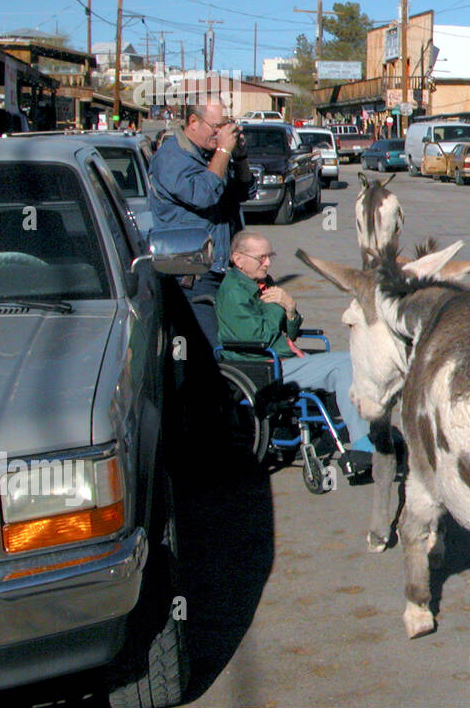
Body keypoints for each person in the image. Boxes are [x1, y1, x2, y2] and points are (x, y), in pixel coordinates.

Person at [217, 230, 372, 473]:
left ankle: (365, 443)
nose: (267, 263)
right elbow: (259, 337)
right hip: (263, 366)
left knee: (348, 368)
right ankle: (364, 443)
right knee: (347, 364)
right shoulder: (234, 292)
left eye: (270, 256)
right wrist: (280, 307)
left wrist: (290, 310)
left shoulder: (262, 283)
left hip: (284, 358)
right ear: (238, 260)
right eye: (261, 258)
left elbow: (288, 335)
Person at [148, 101, 254, 350]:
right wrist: (223, 153)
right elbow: (203, 195)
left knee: (235, 344)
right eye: (216, 127)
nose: (220, 134)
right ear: (193, 122)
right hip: (191, 275)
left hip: (221, 268)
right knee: (206, 352)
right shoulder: (171, 158)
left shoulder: (211, 155)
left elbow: (245, 191)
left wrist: (239, 158)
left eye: (225, 126)